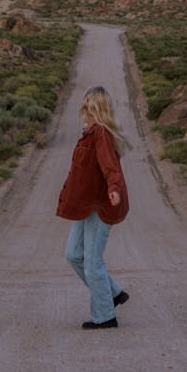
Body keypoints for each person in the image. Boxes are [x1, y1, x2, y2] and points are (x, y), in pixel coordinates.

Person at [56, 84, 131, 329]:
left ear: (98, 108)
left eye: (89, 105)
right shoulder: (90, 134)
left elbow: (110, 167)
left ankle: (105, 316)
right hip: (87, 205)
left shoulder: (100, 133)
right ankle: (112, 293)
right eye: (84, 104)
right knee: (72, 254)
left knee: (92, 263)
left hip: (100, 206)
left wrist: (114, 190)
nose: (84, 109)